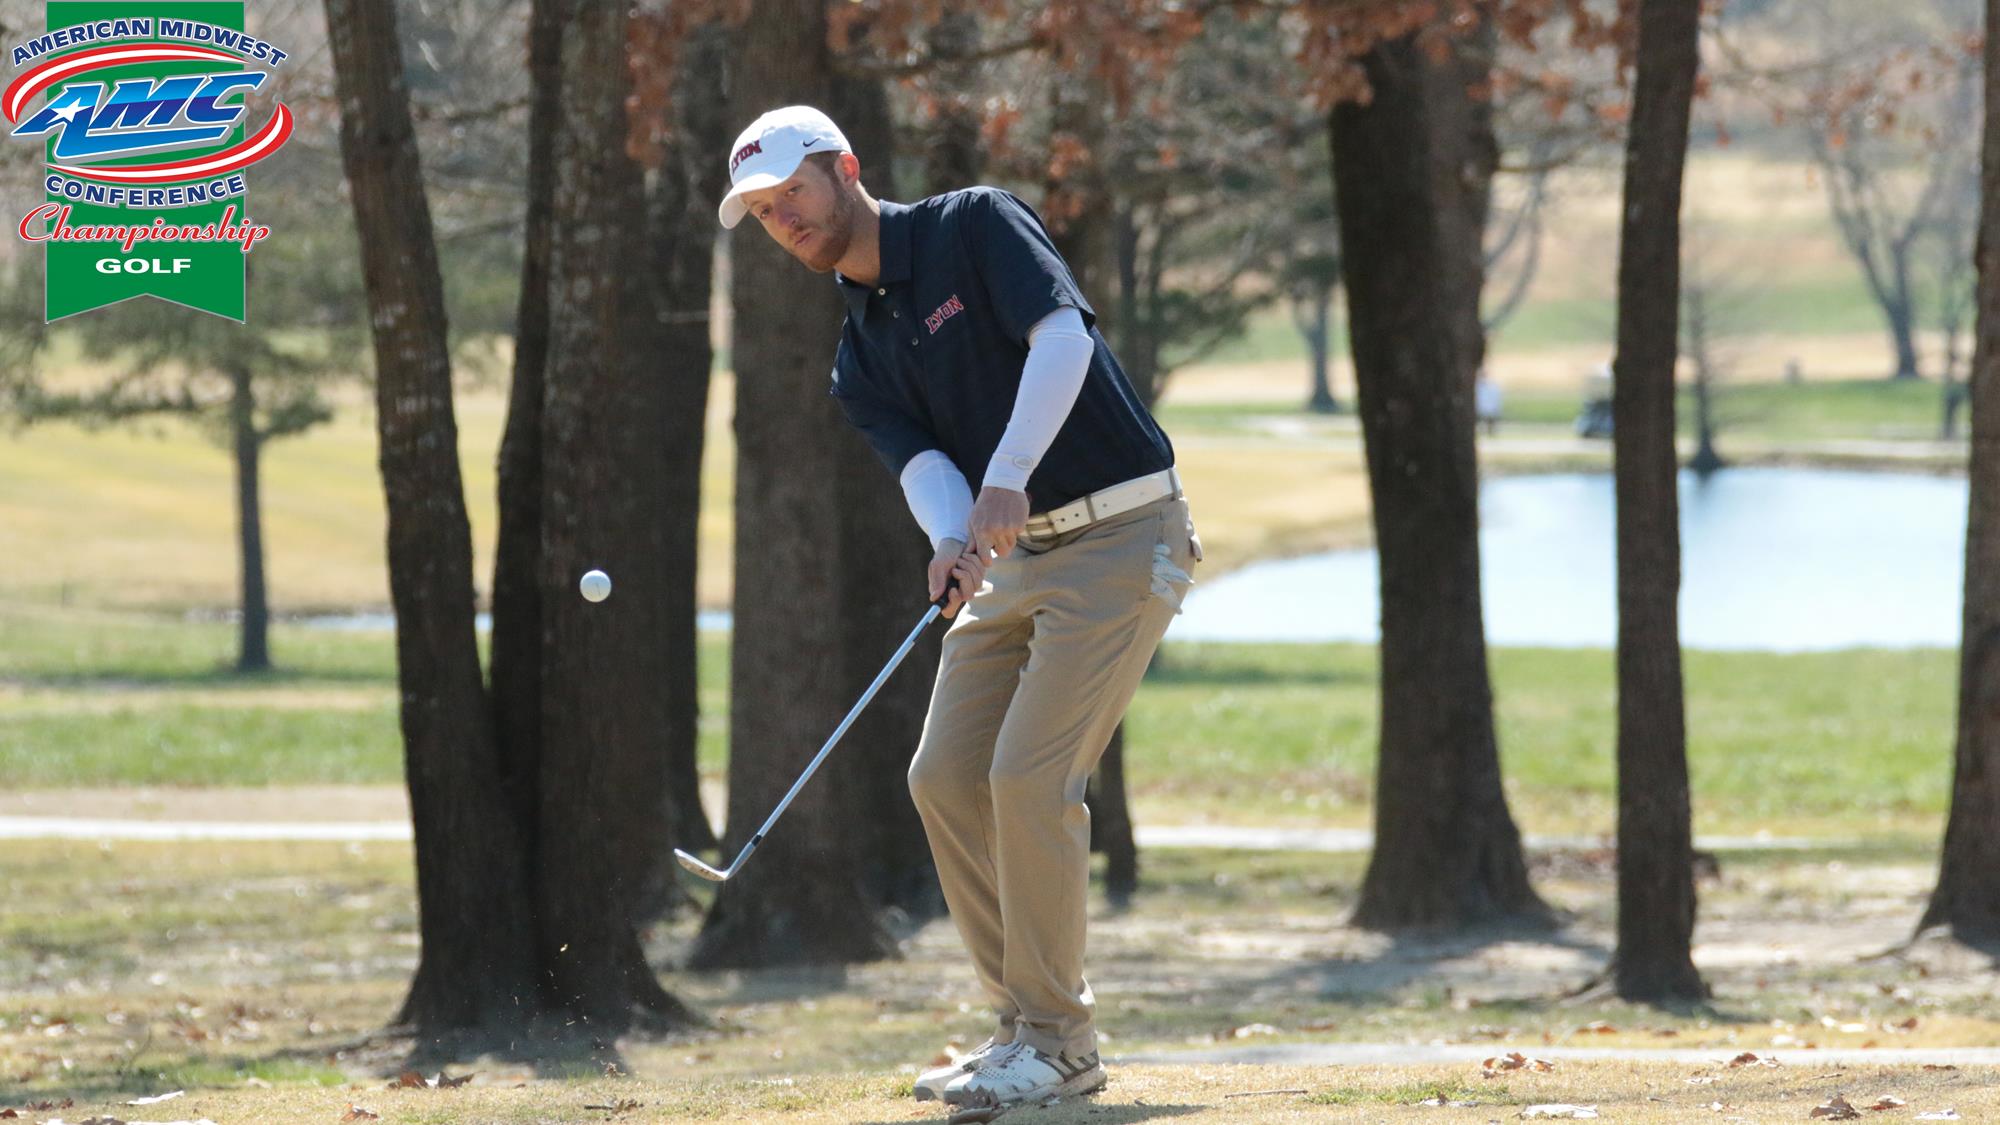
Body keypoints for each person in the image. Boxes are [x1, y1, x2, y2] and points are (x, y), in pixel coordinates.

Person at [717, 106, 1200, 1111]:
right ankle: (1021, 1029)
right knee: (941, 778)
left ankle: (1060, 1042)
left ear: (844, 168)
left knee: (1028, 780)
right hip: (1013, 559)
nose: (786, 219)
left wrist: (1008, 476)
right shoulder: (856, 358)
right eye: (763, 213)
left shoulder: (972, 224)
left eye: (793, 192)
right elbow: (927, 466)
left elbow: (1061, 338)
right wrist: (950, 538)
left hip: (1120, 535)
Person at [1474, 367, 1502, 436]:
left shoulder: (1492, 386)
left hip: (1487, 408)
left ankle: (1490, 431)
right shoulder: (1479, 386)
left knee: (1490, 419)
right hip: (1482, 408)